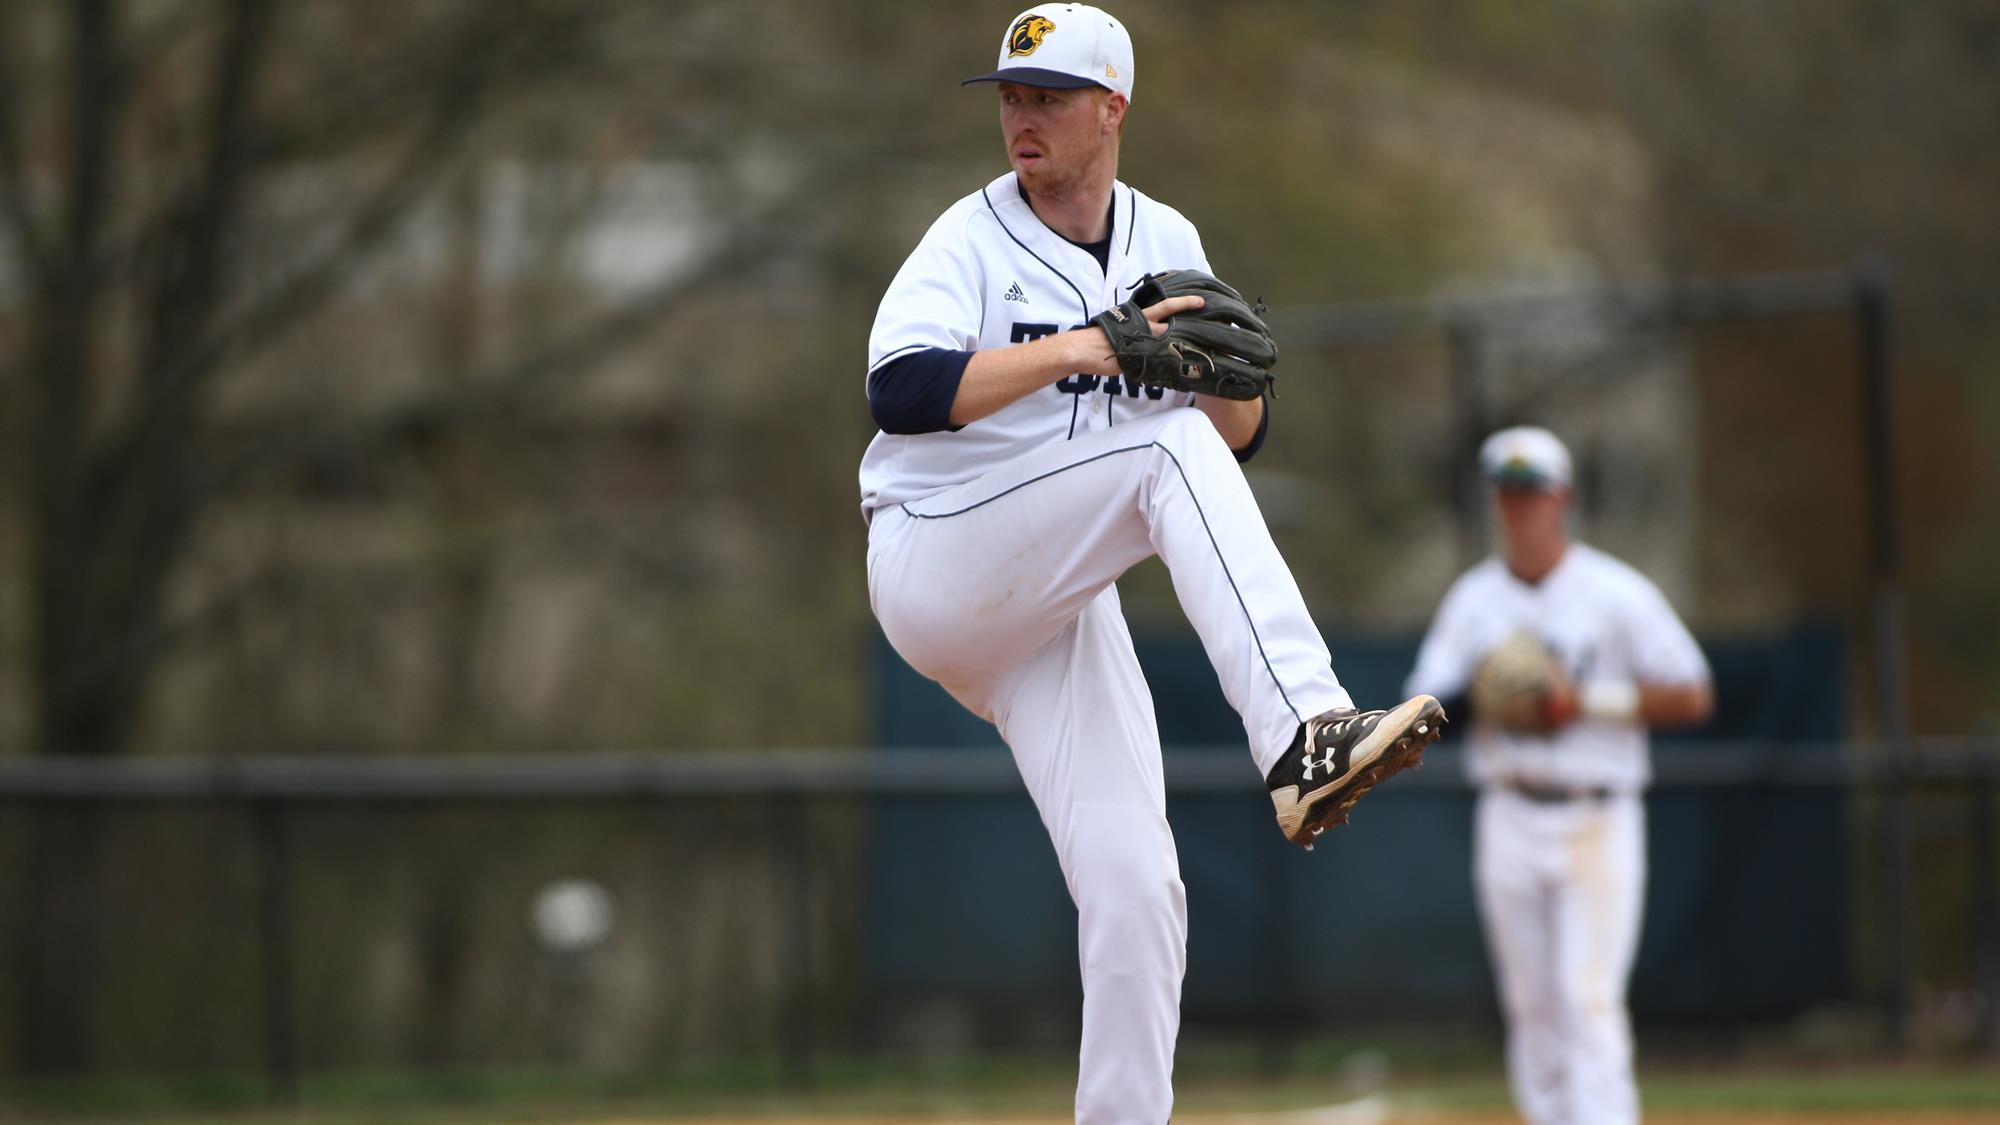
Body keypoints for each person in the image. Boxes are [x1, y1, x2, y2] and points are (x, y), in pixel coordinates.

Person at [858, 5, 1444, 1121]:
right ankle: (1302, 728)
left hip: (1054, 594)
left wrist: (1231, 380)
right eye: (1010, 98)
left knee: (1138, 886)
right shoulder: (968, 240)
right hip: (936, 555)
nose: (1021, 118)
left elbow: (1237, 436)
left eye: (1048, 97)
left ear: (1112, 107)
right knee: (1155, 448)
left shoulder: (1162, 235)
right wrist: (1084, 346)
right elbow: (896, 389)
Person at [1403, 425, 1715, 1125]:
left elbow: (1693, 691)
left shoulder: (1614, 592)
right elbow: (1421, 710)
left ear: (1562, 497)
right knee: (1532, 1002)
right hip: (1509, 810)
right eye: (1508, 493)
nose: (1520, 507)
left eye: (1532, 492)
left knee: (1586, 996)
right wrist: (1477, 696)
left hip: (1597, 813)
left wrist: (1582, 702)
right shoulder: (1474, 600)